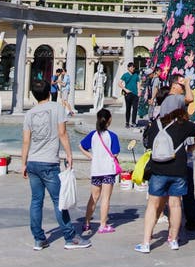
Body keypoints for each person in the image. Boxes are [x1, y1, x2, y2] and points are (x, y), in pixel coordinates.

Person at [20, 78, 91, 251]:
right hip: (49, 162)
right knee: (58, 200)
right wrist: (69, 154)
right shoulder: (57, 108)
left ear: (34, 95)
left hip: (33, 162)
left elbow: (25, 141)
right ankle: (70, 237)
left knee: (36, 201)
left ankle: (38, 239)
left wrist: (23, 163)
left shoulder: (29, 114)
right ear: (50, 92)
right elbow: (62, 133)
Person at [135, 108, 195, 253]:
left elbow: (148, 143)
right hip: (178, 170)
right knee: (175, 205)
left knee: (152, 206)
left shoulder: (156, 124)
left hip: (158, 170)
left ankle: (146, 243)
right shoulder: (183, 125)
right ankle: (173, 240)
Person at [158, 76, 195, 231]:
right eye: (181, 83)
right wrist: (189, 84)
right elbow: (190, 98)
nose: (183, 87)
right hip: (179, 149)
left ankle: (162, 215)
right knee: (186, 186)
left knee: (167, 189)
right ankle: (191, 220)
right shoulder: (175, 98)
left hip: (167, 147)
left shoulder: (165, 102)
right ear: (175, 85)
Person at [79, 108, 120, 235]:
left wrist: (90, 156)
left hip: (96, 169)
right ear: (109, 120)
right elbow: (115, 153)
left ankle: (86, 223)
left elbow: (81, 146)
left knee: (94, 197)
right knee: (105, 198)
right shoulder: (112, 136)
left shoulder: (93, 135)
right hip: (108, 169)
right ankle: (103, 225)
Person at [119, 62, 140, 128]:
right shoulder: (125, 75)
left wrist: (139, 92)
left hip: (135, 94)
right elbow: (119, 83)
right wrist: (125, 89)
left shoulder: (136, 75)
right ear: (128, 68)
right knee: (128, 109)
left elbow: (138, 84)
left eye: (133, 67)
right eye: (131, 67)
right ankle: (127, 123)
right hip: (128, 94)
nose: (133, 68)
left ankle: (133, 122)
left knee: (135, 109)